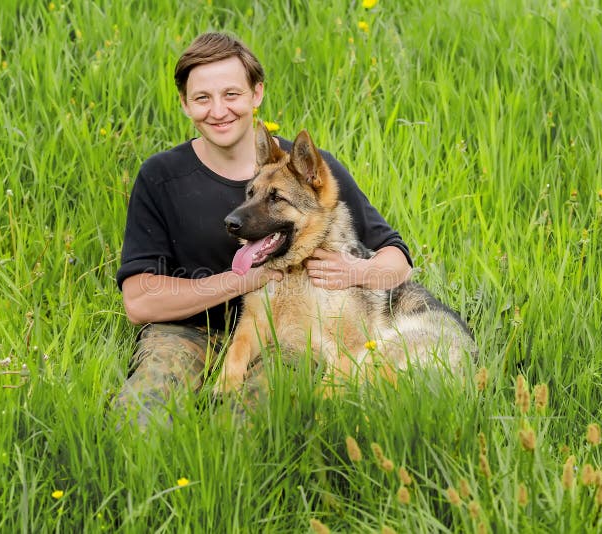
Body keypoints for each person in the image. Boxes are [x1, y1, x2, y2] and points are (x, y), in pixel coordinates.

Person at [115, 31, 413, 427]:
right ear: (185, 104)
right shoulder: (160, 176)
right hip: (183, 331)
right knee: (141, 415)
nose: (218, 110)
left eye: (231, 94)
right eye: (202, 98)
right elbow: (139, 302)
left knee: (254, 422)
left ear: (256, 94)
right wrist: (242, 280)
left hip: (286, 331)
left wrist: (358, 270)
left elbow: (397, 262)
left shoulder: (306, 173)